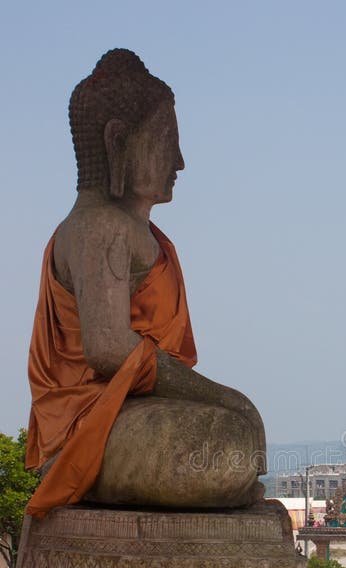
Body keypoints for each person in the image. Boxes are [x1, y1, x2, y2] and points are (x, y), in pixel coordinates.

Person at [25, 49, 266, 517]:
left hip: (132, 411)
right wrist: (225, 396)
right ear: (118, 143)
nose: (180, 160)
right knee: (221, 441)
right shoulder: (99, 228)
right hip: (89, 419)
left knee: (225, 438)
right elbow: (109, 347)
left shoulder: (141, 235)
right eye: (166, 139)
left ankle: (223, 483)